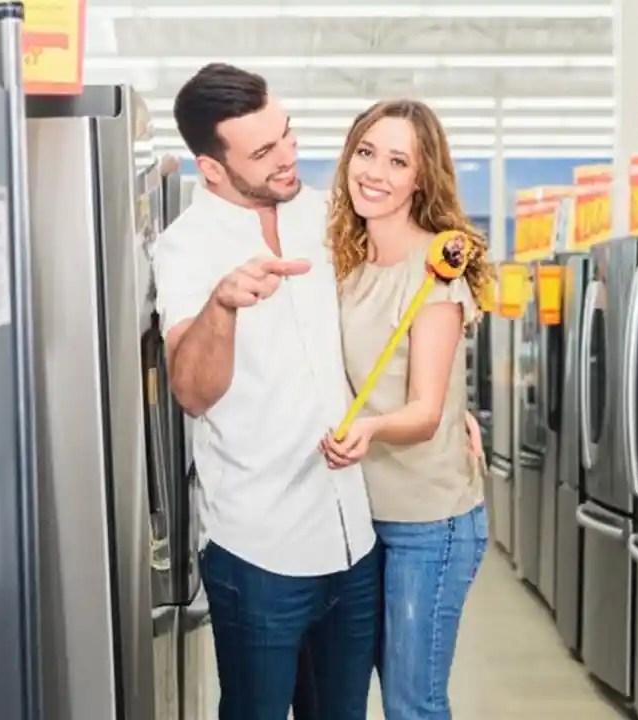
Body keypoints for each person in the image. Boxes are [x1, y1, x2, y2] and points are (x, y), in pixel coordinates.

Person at [152, 63, 381, 720]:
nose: (287, 157)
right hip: (259, 552)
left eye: (286, 134)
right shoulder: (187, 248)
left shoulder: (328, 217)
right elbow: (192, 392)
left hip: (352, 538)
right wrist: (222, 305)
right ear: (213, 167)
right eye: (263, 151)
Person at [319, 99, 494, 720]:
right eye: (366, 152)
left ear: (420, 178)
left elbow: (422, 411)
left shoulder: (435, 273)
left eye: (398, 161)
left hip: (430, 522)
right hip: (361, 518)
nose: (375, 172)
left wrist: (374, 426)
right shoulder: (344, 261)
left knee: (411, 703)